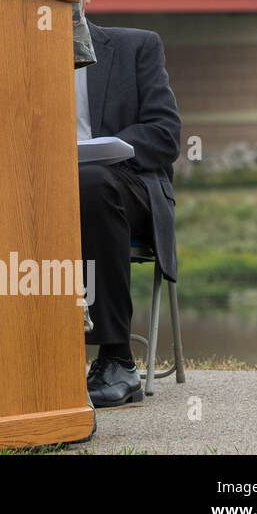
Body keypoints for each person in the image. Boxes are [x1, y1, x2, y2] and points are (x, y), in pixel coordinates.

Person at [78, 20, 181, 407]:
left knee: (89, 181)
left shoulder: (136, 46)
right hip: (42, 185)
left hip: (127, 185)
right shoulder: (6, 51)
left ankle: (117, 359)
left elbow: (165, 133)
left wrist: (111, 148)